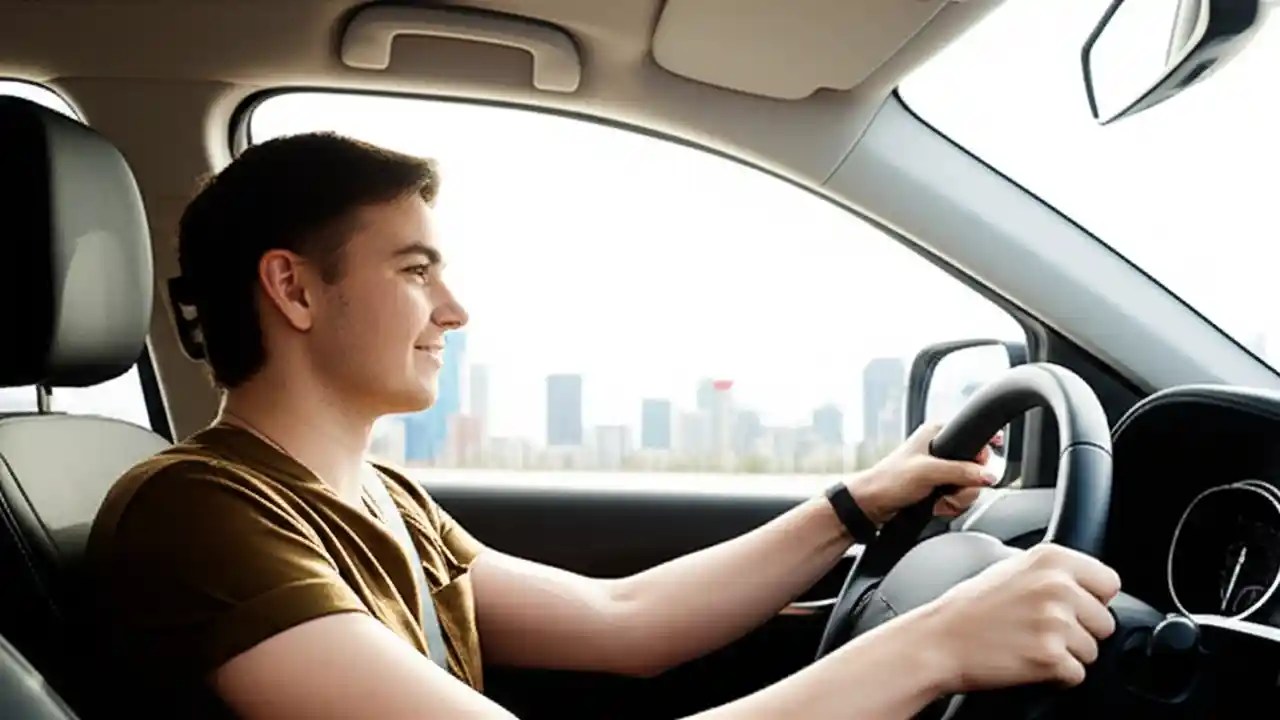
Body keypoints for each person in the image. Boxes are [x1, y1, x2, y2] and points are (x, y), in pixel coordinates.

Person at [86, 133, 1121, 720]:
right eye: (414, 271)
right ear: (292, 289)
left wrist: (854, 504)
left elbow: (622, 621)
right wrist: (932, 645)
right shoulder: (200, 513)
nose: (453, 309)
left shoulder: (373, 498)